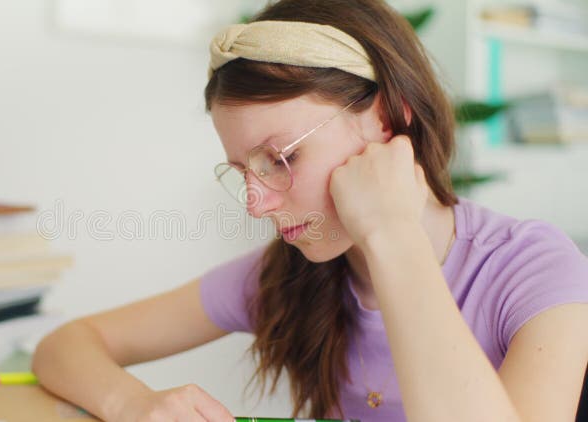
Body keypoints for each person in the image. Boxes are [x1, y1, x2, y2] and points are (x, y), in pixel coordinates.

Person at [32, 0, 588, 420]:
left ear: (389, 117)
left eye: (280, 157)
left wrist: (391, 232)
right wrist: (134, 404)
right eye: (243, 171)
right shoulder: (289, 274)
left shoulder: (536, 268)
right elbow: (66, 345)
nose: (256, 203)